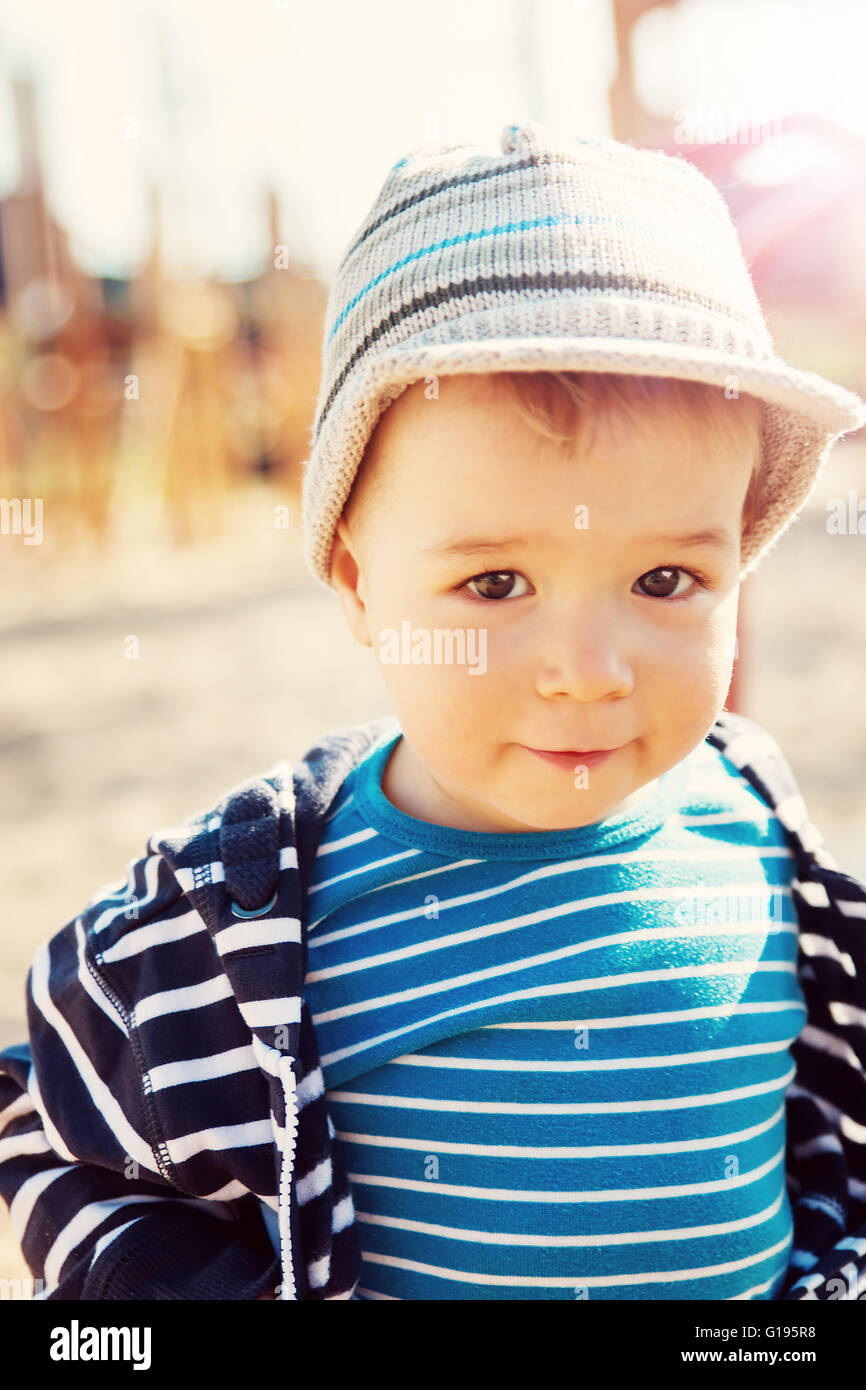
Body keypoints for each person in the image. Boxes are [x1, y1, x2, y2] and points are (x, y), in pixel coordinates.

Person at [2, 121, 866, 1301]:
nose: (586, 673)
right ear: (361, 585)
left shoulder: (758, 826)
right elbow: (60, 1136)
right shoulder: (251, 922)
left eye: (665, 579)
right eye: (494, 584)